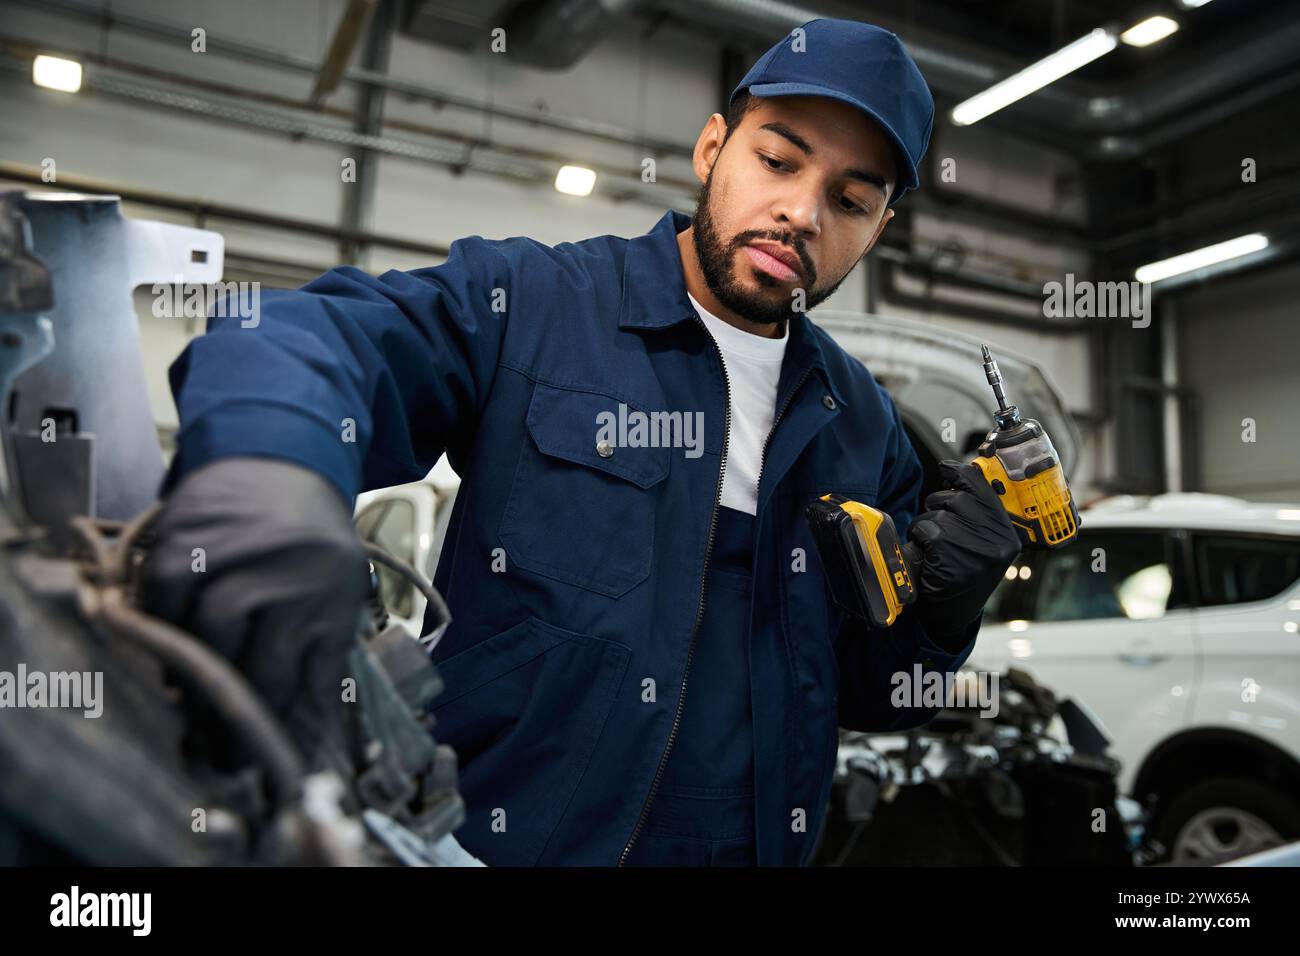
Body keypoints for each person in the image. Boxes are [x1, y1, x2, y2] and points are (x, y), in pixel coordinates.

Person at [144, 17, 1020, 866]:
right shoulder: (532, 307)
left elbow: (873, 692)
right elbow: (300, 336)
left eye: (850, 200)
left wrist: (945, 616)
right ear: (712, 147)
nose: (800, 212)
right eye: (778, 160)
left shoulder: (862, 427)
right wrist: (267, 477)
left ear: (877, 230)